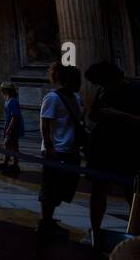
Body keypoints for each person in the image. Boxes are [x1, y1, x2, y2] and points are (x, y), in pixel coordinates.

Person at [84, 60, 140, 249]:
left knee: (132, 192)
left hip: (128, 147)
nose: (100, 86)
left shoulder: (136, 90)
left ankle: (135, 234)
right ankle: (95, 230)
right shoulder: (103, 90)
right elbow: (93, 115)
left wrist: (117, 114)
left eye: (102, 81)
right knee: (98, 191)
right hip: (102, 147)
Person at [38, 61, 86, 242]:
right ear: (66, 80)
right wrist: (49, 146)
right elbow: (44, 122)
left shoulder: (76, 98)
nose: (79, 83)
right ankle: (45, 222)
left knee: (64, 188)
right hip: (56, 149)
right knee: (50, 187)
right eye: (76, 79)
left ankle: (49, 219)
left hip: (71, 150)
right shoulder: (52, 97)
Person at [0, 82, 24, 175]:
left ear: (7, 90)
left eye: (3, 89)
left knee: (13, 146)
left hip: (13, 126)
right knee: (7, 145)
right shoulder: (8, 99)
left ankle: (15, 165)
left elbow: (14, 117)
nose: (1, 91)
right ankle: (5, 163)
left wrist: (9, 129)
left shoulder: (13, 101)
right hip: (9, 125)